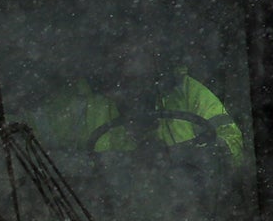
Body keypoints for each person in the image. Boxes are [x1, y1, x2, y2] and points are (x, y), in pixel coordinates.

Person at [33, 62, 244, 166]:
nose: (133, 61)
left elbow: (233, 141)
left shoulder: (187, 92)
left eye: (142, 49)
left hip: (189, 219)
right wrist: (94, 164)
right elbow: (24, 135)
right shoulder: (82, 103)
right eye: (121, 53)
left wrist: (194, 155)